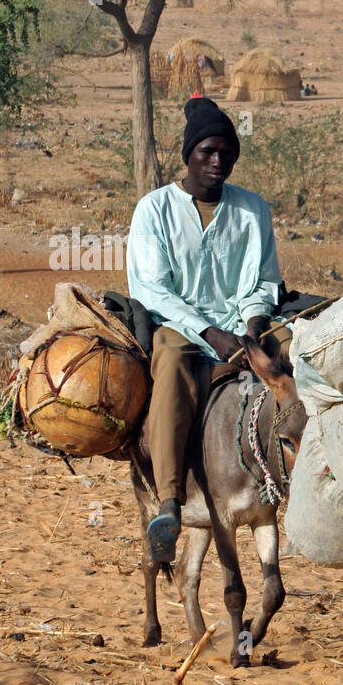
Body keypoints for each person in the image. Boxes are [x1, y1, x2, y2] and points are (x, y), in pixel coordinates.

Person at [126, 96, 289, 564]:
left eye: (227, 153)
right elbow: (152, 289)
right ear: (189, 155)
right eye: (207, 152)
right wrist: (210, 333)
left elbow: (263, 280)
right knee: (173, 364)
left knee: (297, 356)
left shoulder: (253, 209)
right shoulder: (154, 210)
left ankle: (301, 474)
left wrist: (256, 323)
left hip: (241, 326)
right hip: (179, 326)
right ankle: (170, 501)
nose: (218, 162)